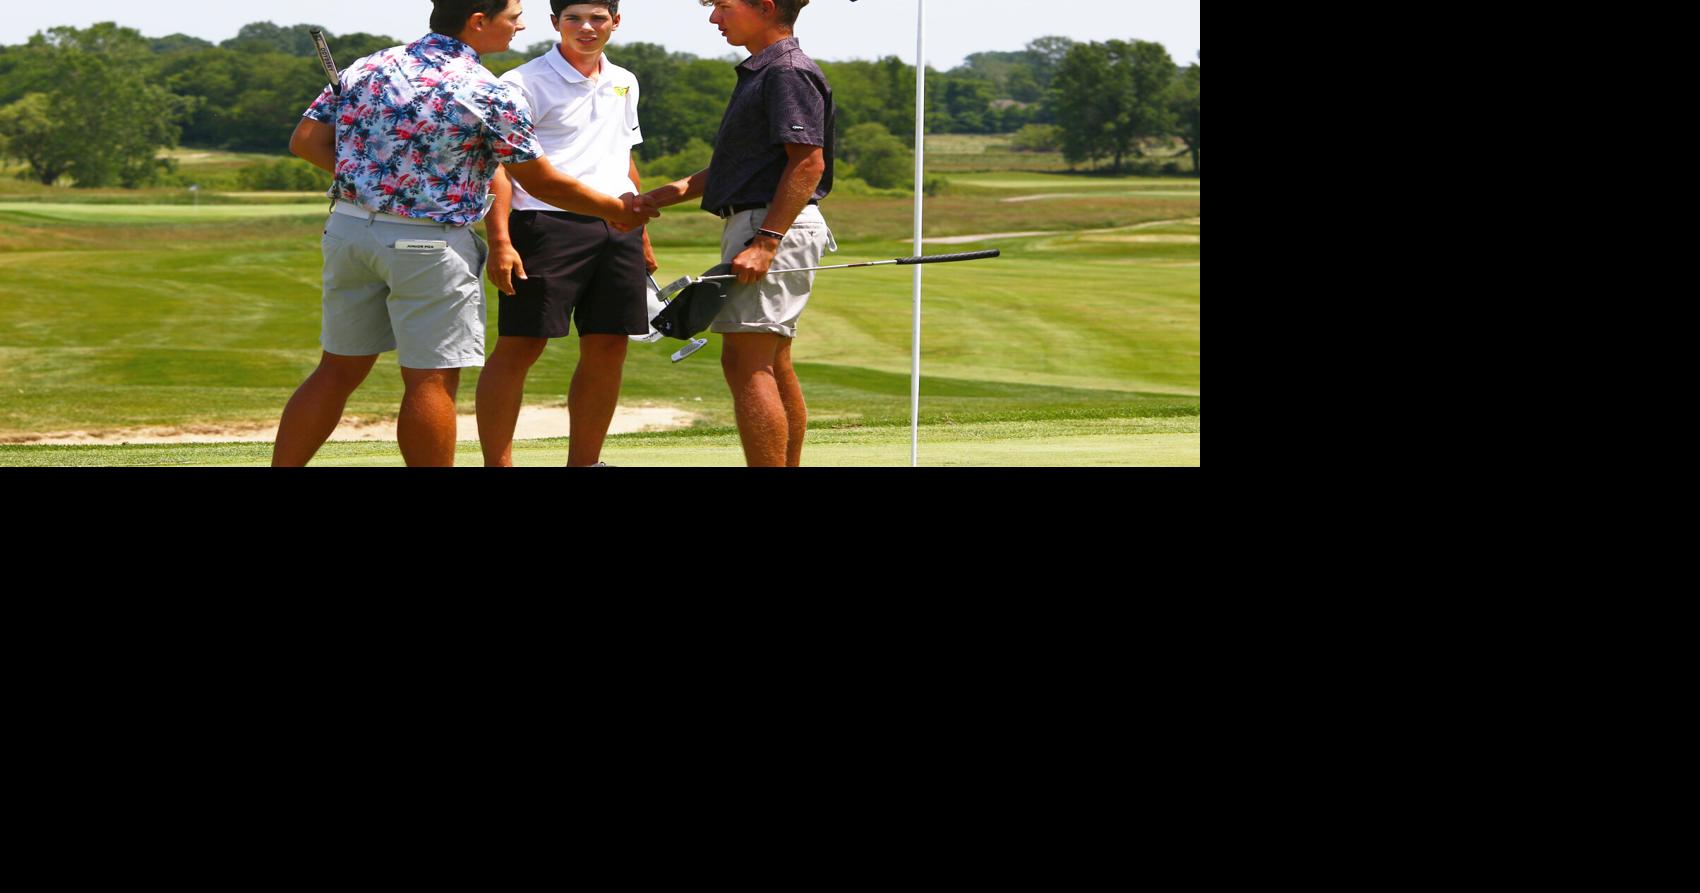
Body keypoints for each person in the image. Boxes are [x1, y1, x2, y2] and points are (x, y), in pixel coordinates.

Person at [272, 0, 658, 468]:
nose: (520, 24)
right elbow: (539, 181)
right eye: (512, 15)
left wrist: (376, 184)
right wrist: (620, 210)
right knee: (430, 381)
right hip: (428, 245)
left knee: (336, 369)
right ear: (478, 21)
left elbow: (306, 141)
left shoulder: (368, 64)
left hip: (349, 229)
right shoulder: (488, 90)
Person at [641, 0, 835, 468]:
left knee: (747, 364)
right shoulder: (764, 71)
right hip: (763, 221)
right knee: (771, 361)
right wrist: (655, 199)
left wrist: (766, 241)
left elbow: (807, 162)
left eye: (724, 7)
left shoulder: (785, 71)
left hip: (769, 225)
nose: (714, 18)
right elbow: (736, 167)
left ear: (766, 7)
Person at [476, 0, 655, 468]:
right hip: (543, 225)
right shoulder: (520, 82)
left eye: (598, 18)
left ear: (615, 22)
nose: (586, 28)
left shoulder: (625, 81)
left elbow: (624, 158)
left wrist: (641, 235)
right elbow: (498, 167)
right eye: (573, 18)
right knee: (521, 344)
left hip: (617, 229)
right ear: (555, 24)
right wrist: (500, 240)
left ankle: (585, 463)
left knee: (610, 343)